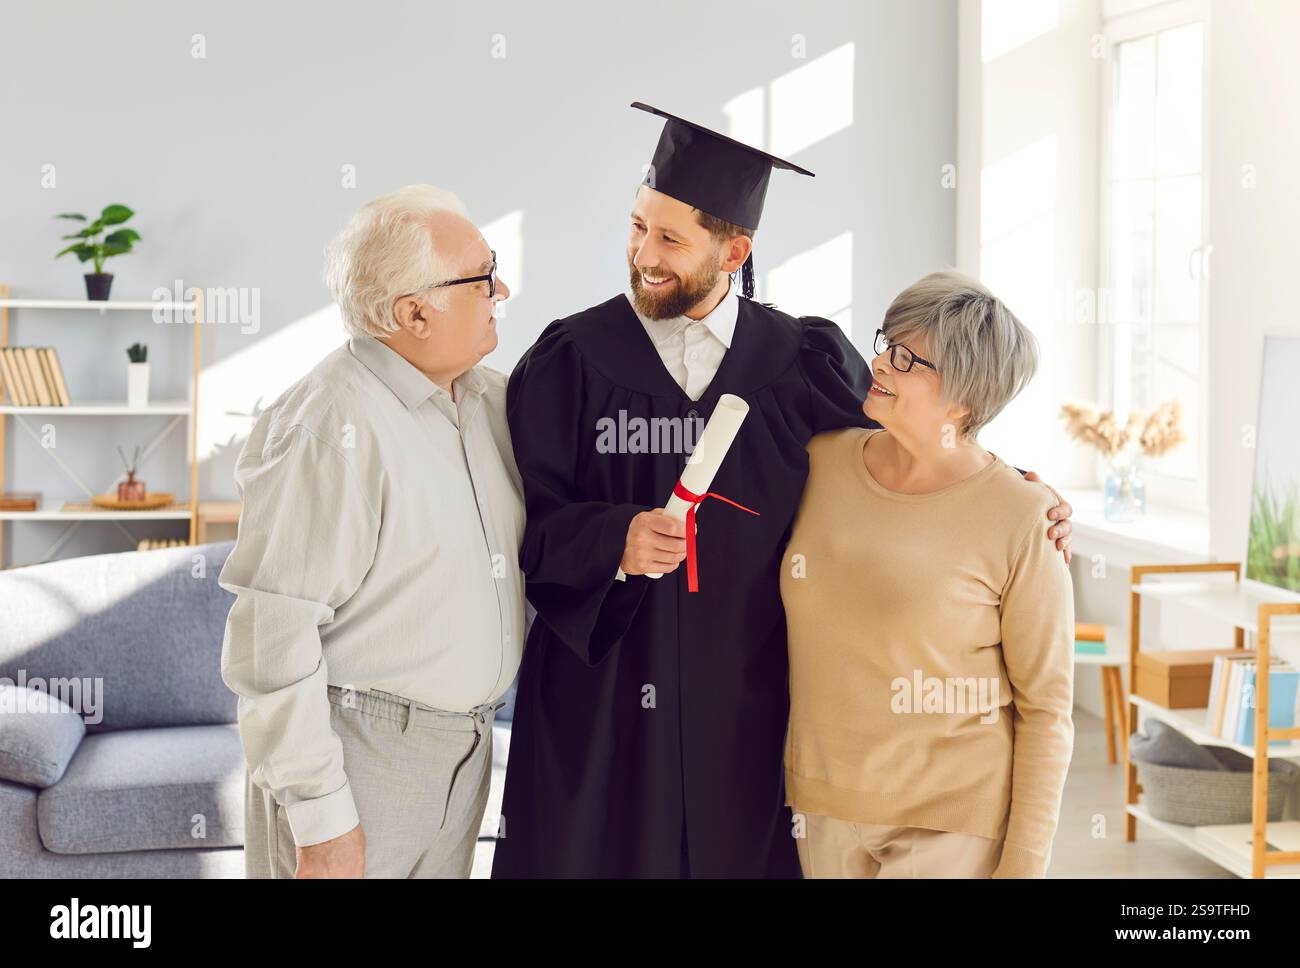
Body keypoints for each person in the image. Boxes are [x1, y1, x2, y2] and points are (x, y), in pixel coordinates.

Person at [491, 105, 1075, 878]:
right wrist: (614, 541)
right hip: (606, 708)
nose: (643, 255)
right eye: (637, 227)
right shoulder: (570, 361)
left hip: (754, 708)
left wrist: (1028, 495)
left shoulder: (803, 362)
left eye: (670, 238)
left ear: (735, 249)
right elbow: (527, 532)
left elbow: (915, 445)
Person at [219, 184, 523, 878]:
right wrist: (322, 820)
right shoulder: (329, 424)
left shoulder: (490, 403)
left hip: (463, 756)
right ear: (414, 312)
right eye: (482, 277)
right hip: (356, 759)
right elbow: (272, 639)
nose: (500, 288)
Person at [782, 271, 1075, 878]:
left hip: (953, 822)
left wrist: (1022, 866)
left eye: (908, 359)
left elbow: (1047, 708)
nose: (881, 364)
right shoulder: (819, 460)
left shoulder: (1025, 516)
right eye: (886, 344)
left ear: (966, 398)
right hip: (821, 806)